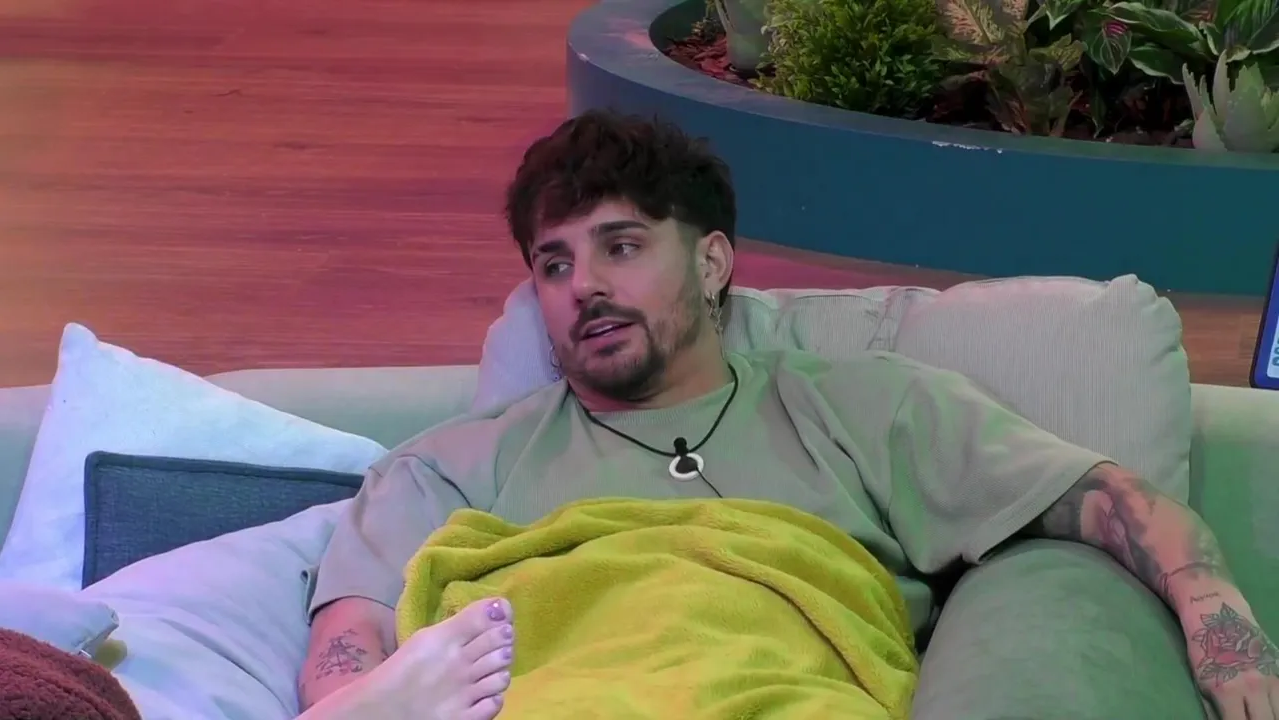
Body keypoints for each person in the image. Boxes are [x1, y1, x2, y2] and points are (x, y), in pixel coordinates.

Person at [295, 110, 1279, 720]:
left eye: (621, 247)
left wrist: (1214, 614)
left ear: (712, 261)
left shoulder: (865, 407)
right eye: (553, 264)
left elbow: (1101, 499)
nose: (582, 285)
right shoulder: (449, 467)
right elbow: (349, 655)